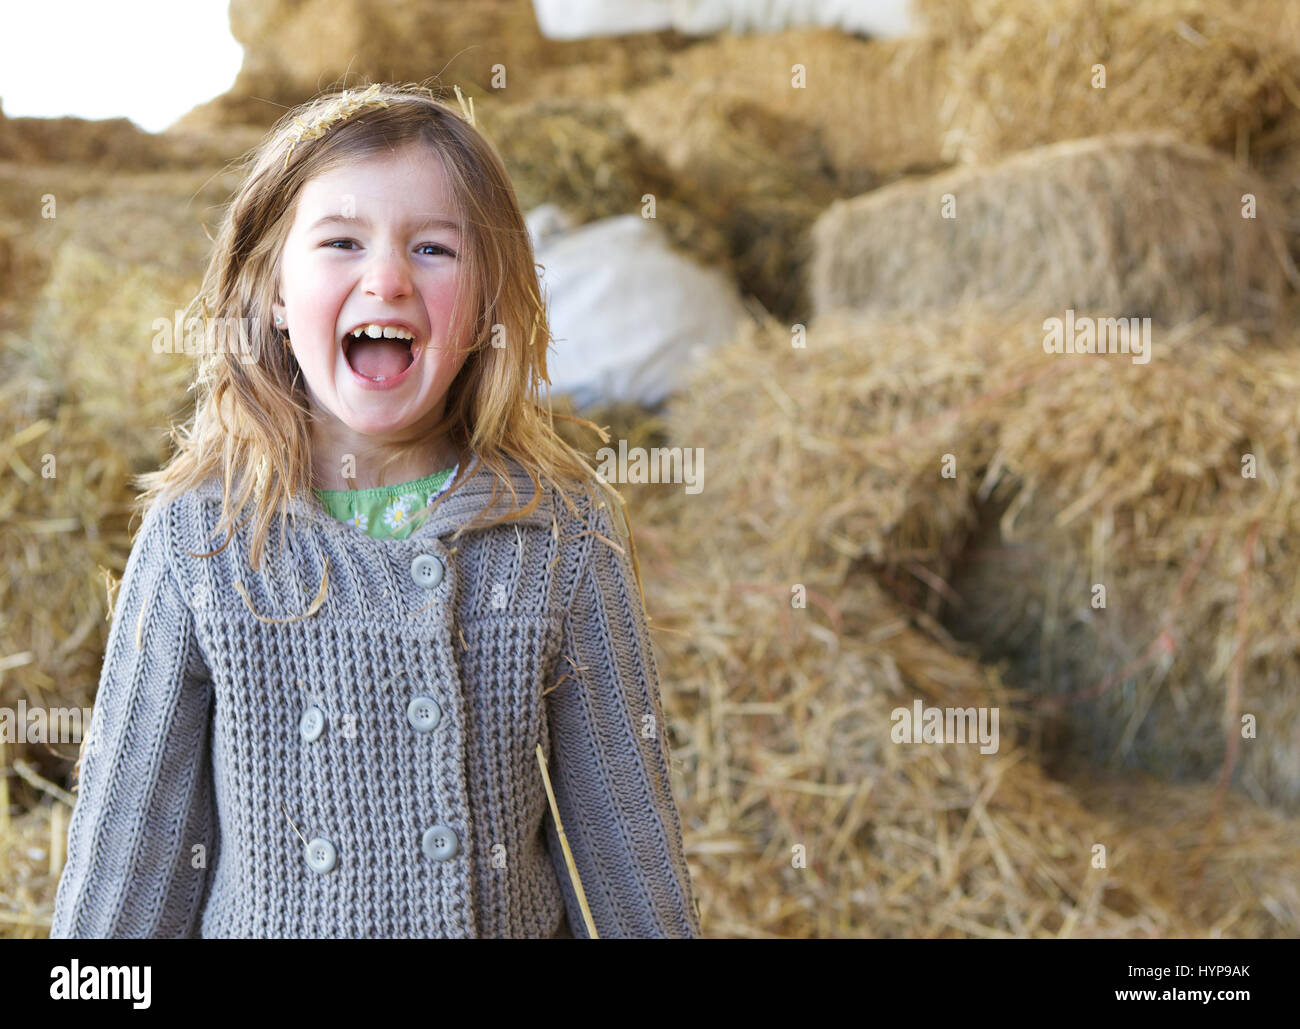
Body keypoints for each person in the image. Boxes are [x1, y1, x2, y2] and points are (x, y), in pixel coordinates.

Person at [48, 82, 702, 939]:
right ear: (274, 292)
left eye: (434, 248)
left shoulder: (560, 536)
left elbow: (629, 850)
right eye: (341, 242)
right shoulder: (201, 540)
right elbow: (129, 862)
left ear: (487, 303)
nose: (387, 278)